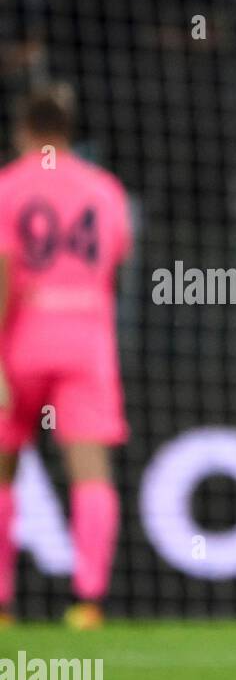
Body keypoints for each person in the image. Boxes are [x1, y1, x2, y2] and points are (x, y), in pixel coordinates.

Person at [0, 84, 133, 632]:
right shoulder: (104, 190)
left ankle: (3, 607)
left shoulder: (9, 186)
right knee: (91, 473)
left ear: (24, 130)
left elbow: (4, 275)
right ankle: (88, 602)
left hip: (20, 340)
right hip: (86, 341)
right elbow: (117, 271)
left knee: (4, 473)